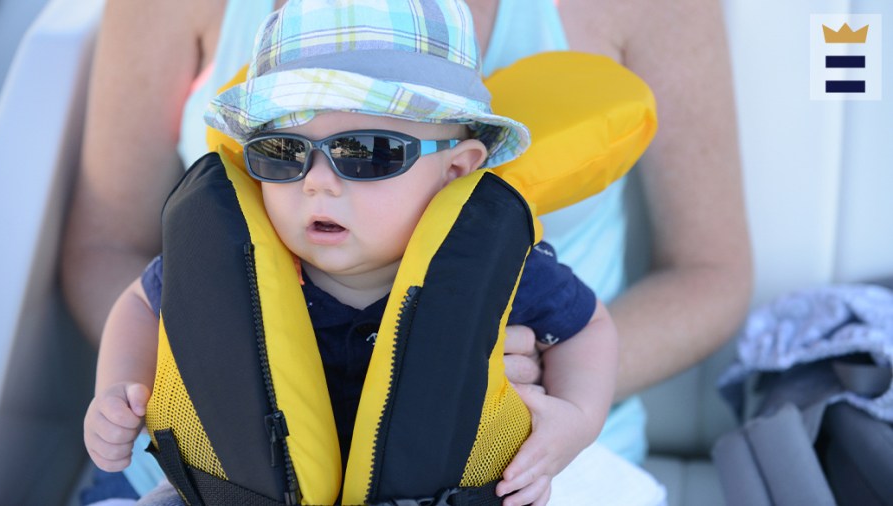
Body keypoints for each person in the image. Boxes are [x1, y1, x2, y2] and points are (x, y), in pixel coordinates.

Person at [66, 0, 750, 503]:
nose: (319, 183)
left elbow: (608, 319)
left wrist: (557, 412)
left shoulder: (496, 263)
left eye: (369, 154)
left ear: (458, 169)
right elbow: (130, 283)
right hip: (224, 468)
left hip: (491, 467)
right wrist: (131, 390)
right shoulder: (249, 253)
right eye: (283, 153)